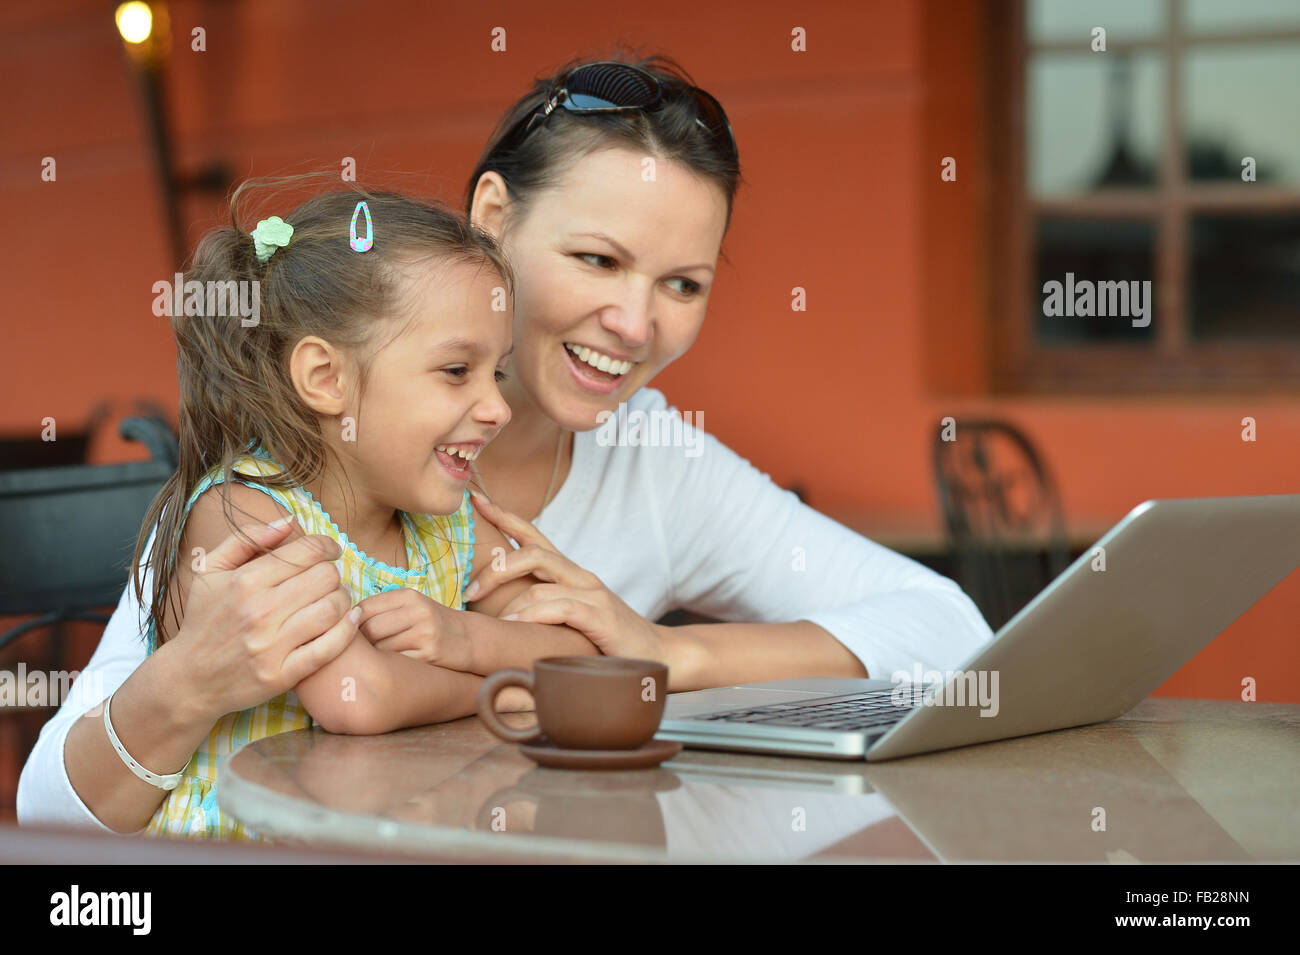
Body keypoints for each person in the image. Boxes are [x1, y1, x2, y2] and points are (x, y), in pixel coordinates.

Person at [18, 52, 994, 837]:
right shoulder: (289, 475)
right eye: (597, 258)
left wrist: (664, 651)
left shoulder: (658, 460)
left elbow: (953, 635)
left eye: (682, 283)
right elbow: (53, 805)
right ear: (493, 219)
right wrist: (186, 683)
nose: (634, 321)